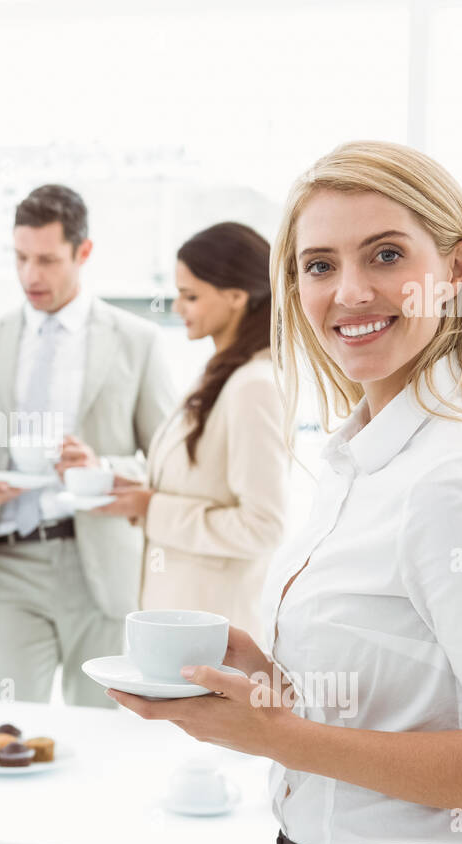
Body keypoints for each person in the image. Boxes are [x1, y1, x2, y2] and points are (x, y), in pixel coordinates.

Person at [109, 141, 462, 844]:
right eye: (320, 265)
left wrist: (277, 737)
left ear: (455, 272)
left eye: (387, 256)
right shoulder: (361, 459)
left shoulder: (453, 482)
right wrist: (277, 689)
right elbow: (408, 697)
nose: (350, 292)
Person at [0, 184, 176, 708]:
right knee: (9, 731)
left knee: (102, 734)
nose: (31, 276)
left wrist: (100, 467)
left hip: (101, 571)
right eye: (21, 258)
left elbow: (169, 463)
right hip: (9, 567)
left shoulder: (137, 341)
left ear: (82, 252)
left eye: (46, 259)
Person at [94, 222, 288, 636]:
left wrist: (151, 509)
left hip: (215, 633)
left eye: (191, 296)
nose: (178, 308)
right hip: (180, 628)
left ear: (237, 296)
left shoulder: (253, 386)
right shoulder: (221, 375)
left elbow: (264, 526)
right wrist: (124, 486)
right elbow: (197, 484)